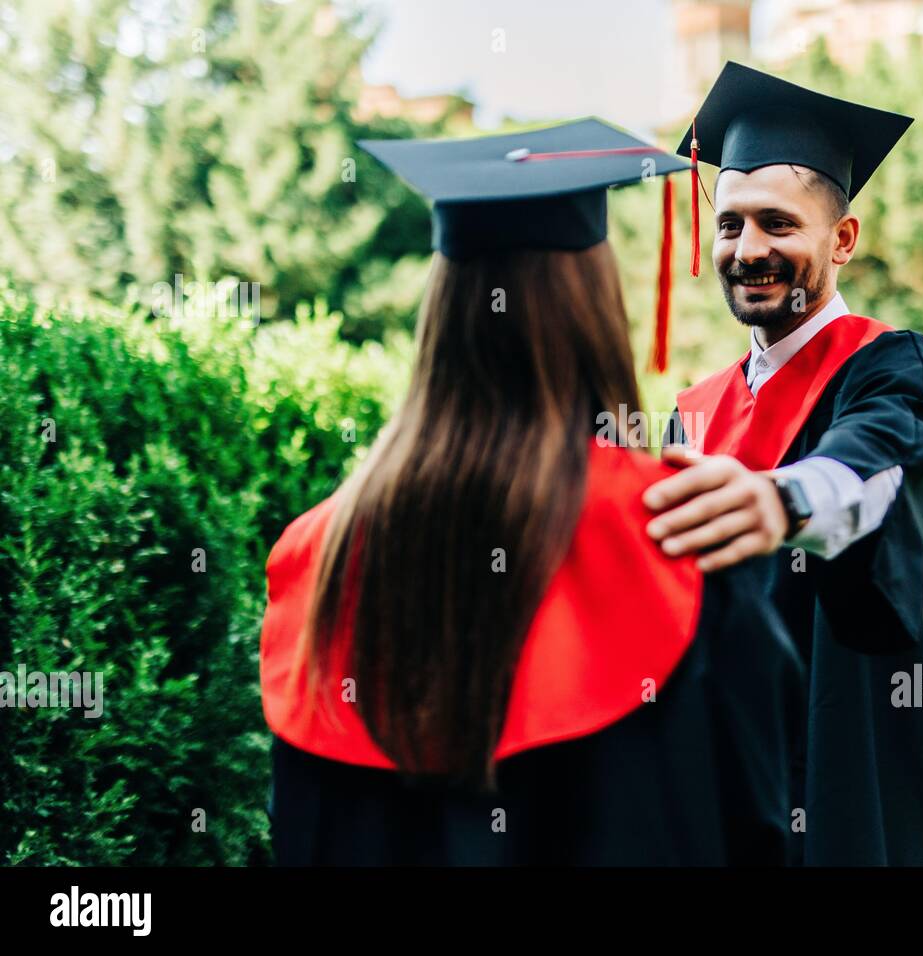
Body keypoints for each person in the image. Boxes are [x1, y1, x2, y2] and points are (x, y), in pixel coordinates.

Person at [259, 118, 805, 866]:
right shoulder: (680, 529)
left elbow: (303, 832)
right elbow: (757, 826)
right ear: (596, 311)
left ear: (438, 317)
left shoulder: (318, 552)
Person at [649, 64, 923, 865]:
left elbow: (877, 461)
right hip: (717, 777)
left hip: (842, 764)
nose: (748, 249)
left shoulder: (898, 370)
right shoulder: (694, 408)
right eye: (730, 226)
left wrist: (779, 501)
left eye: (779, 225)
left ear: (842, 239)